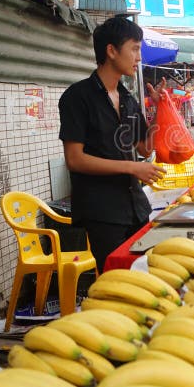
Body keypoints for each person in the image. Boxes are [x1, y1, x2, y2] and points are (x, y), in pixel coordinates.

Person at [58, 15, 167, 272]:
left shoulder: (128, 98)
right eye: (135, 48)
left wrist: (160, 109)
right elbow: (74, 159)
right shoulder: (77, 97)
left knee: (145, 274)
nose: (139, 57)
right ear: (111, 51)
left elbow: (144, 148)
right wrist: (132, 168)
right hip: (102, 212)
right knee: (118, 281)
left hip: (136, 207)